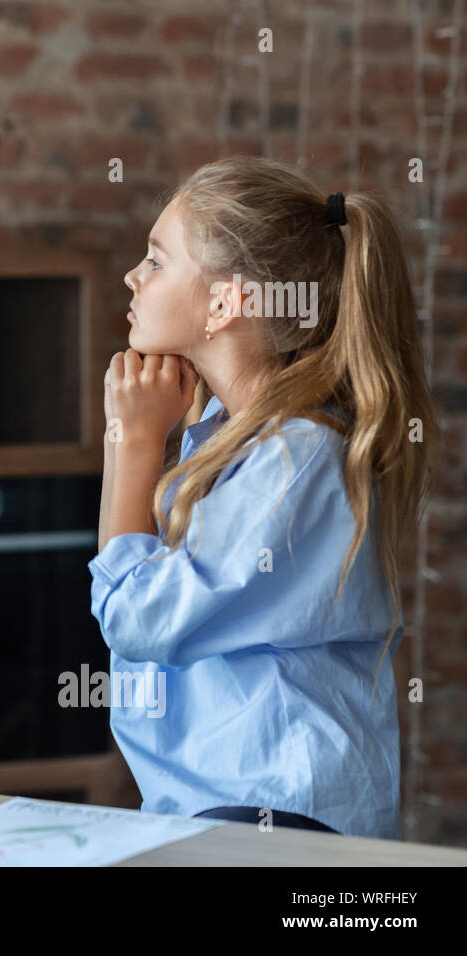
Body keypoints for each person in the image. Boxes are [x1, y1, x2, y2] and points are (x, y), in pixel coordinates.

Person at [91, 156, 439, 838]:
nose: (134, 276)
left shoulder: (296, 456)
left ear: (224, 303)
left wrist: (129, 445)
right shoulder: (235, 443)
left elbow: (139, 622)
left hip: (278, 819)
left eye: (157, 260)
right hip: (223, 813)